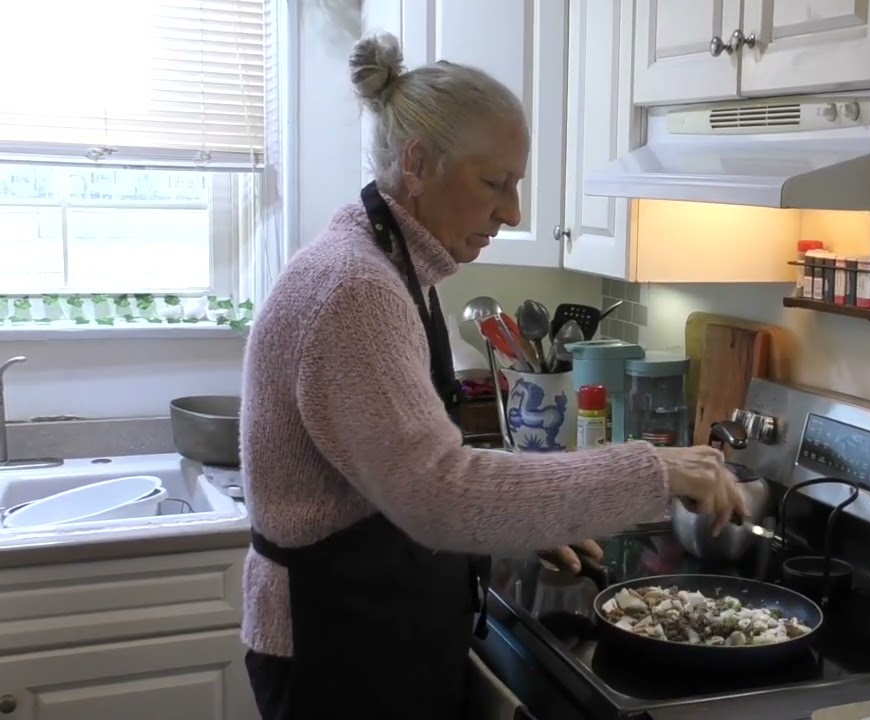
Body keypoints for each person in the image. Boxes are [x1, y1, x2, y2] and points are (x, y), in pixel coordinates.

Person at [238, 31, 748, 720]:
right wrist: (652, 469)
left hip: (364, 628)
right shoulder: (356, 289)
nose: (514, 213)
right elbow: (437, 493)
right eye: (495, 183)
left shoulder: (386, 266)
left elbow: (407, 471)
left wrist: (520, 519)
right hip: (340, 649)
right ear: (419, 164)